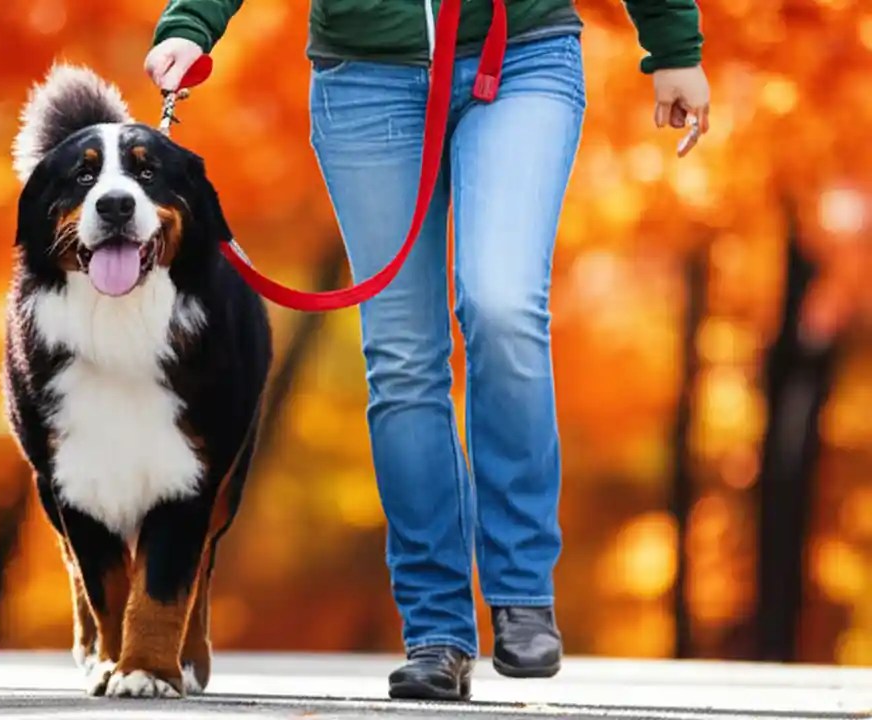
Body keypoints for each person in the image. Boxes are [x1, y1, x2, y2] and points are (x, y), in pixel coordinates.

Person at [145, 0, 710, 702]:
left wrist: (673, 45)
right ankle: (437, 630)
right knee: (402, 356)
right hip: (366, 76)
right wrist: (190, 23)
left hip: (520, 54)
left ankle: (522, 591)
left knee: (503, 306)